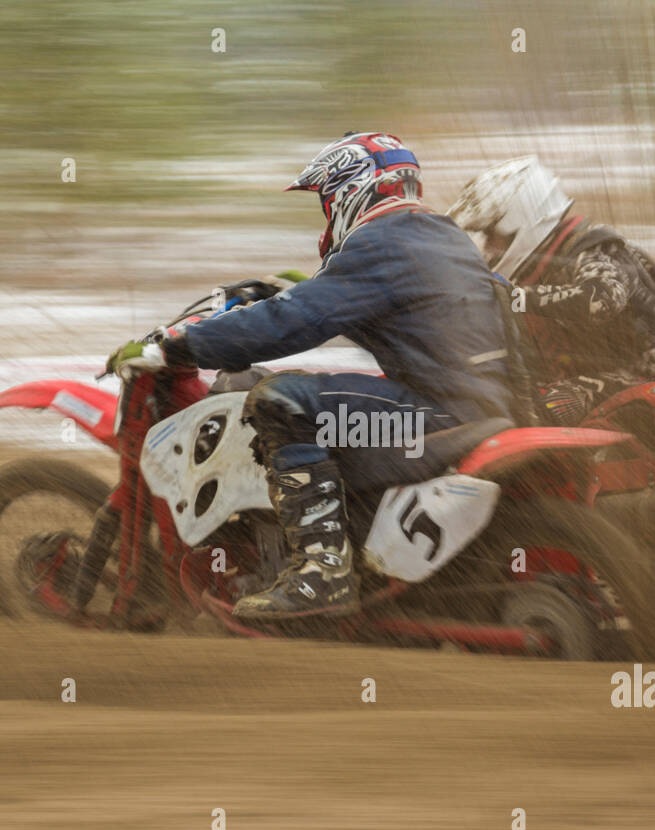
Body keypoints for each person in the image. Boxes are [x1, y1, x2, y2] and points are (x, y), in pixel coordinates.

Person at [107, 132, 515, 619]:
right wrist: (311, 288)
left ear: (352, 189)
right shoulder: (441, 236)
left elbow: (289, 324)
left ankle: (321, 573)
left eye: (327, 198)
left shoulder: (381, 241)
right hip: (482, 405)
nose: (327, 212)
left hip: (429, 416)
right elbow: (412, 322)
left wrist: (179, 346)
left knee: (279, 400)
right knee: (312, 393)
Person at [447, 156, 655, 430]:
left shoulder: (594, 247)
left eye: (492, 235)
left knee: (545, 410)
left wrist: (516, 297)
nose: (489, 247)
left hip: (647, 384)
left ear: (521, 218)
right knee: (486, 399)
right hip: (587, 378)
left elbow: (601, 299)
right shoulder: (536, 267)